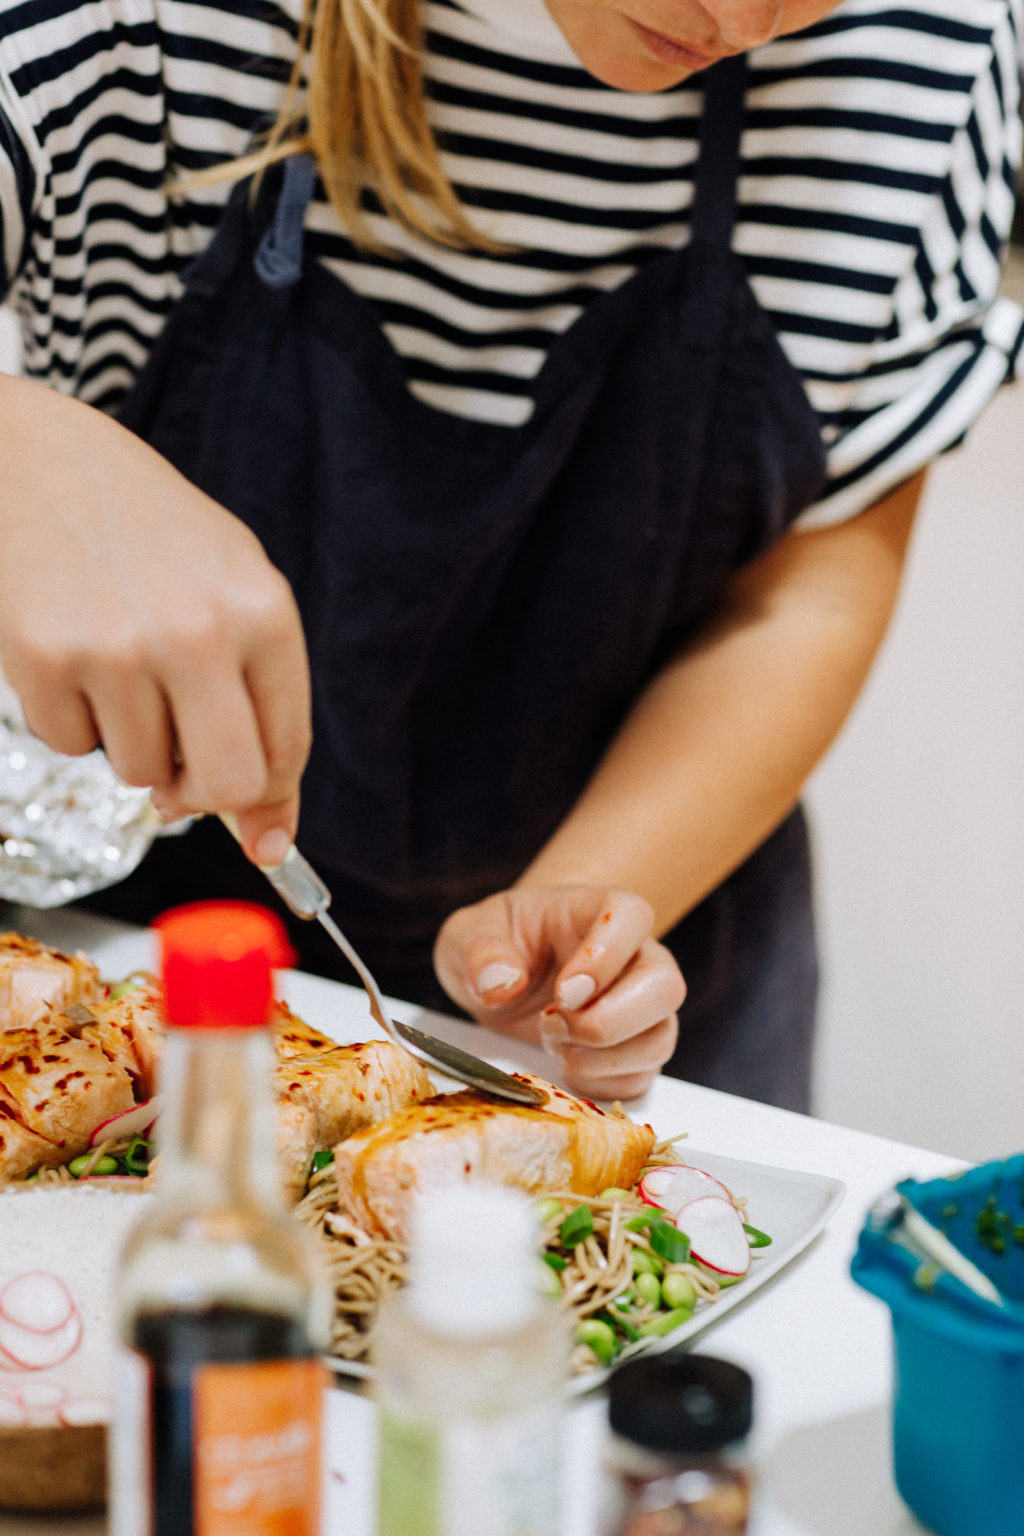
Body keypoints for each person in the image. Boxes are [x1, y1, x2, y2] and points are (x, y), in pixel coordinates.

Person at [0, 0, 1020, 1108]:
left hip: (646, 980)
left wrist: (595, 899)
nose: (738, 15)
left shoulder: (935, 48)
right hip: (125, 969)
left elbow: (805, 597)